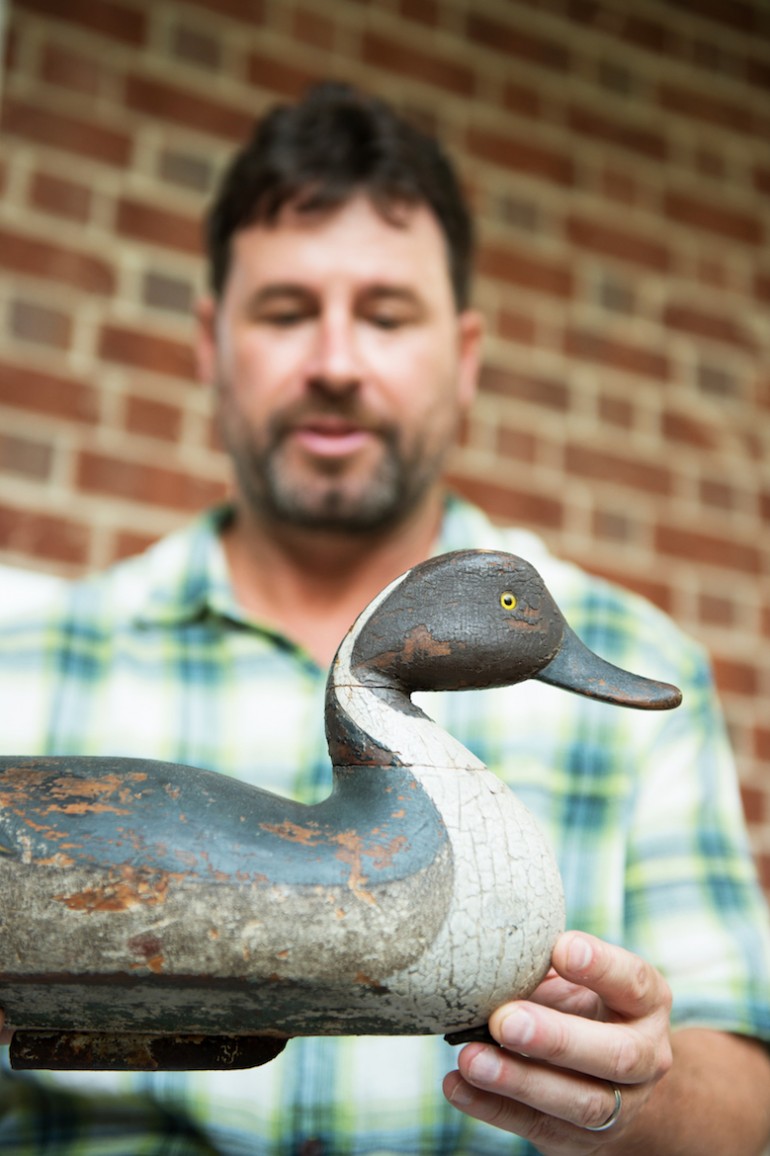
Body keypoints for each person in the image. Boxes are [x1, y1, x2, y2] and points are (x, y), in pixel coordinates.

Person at [0, 81, 769, 1156]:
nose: (334, 362)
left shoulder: (648, 668)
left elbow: (751, 1105)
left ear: (464, 356)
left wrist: (640, 1092)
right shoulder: (22, 663)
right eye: (285, 311)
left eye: (385, 314)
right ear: (210, 344)